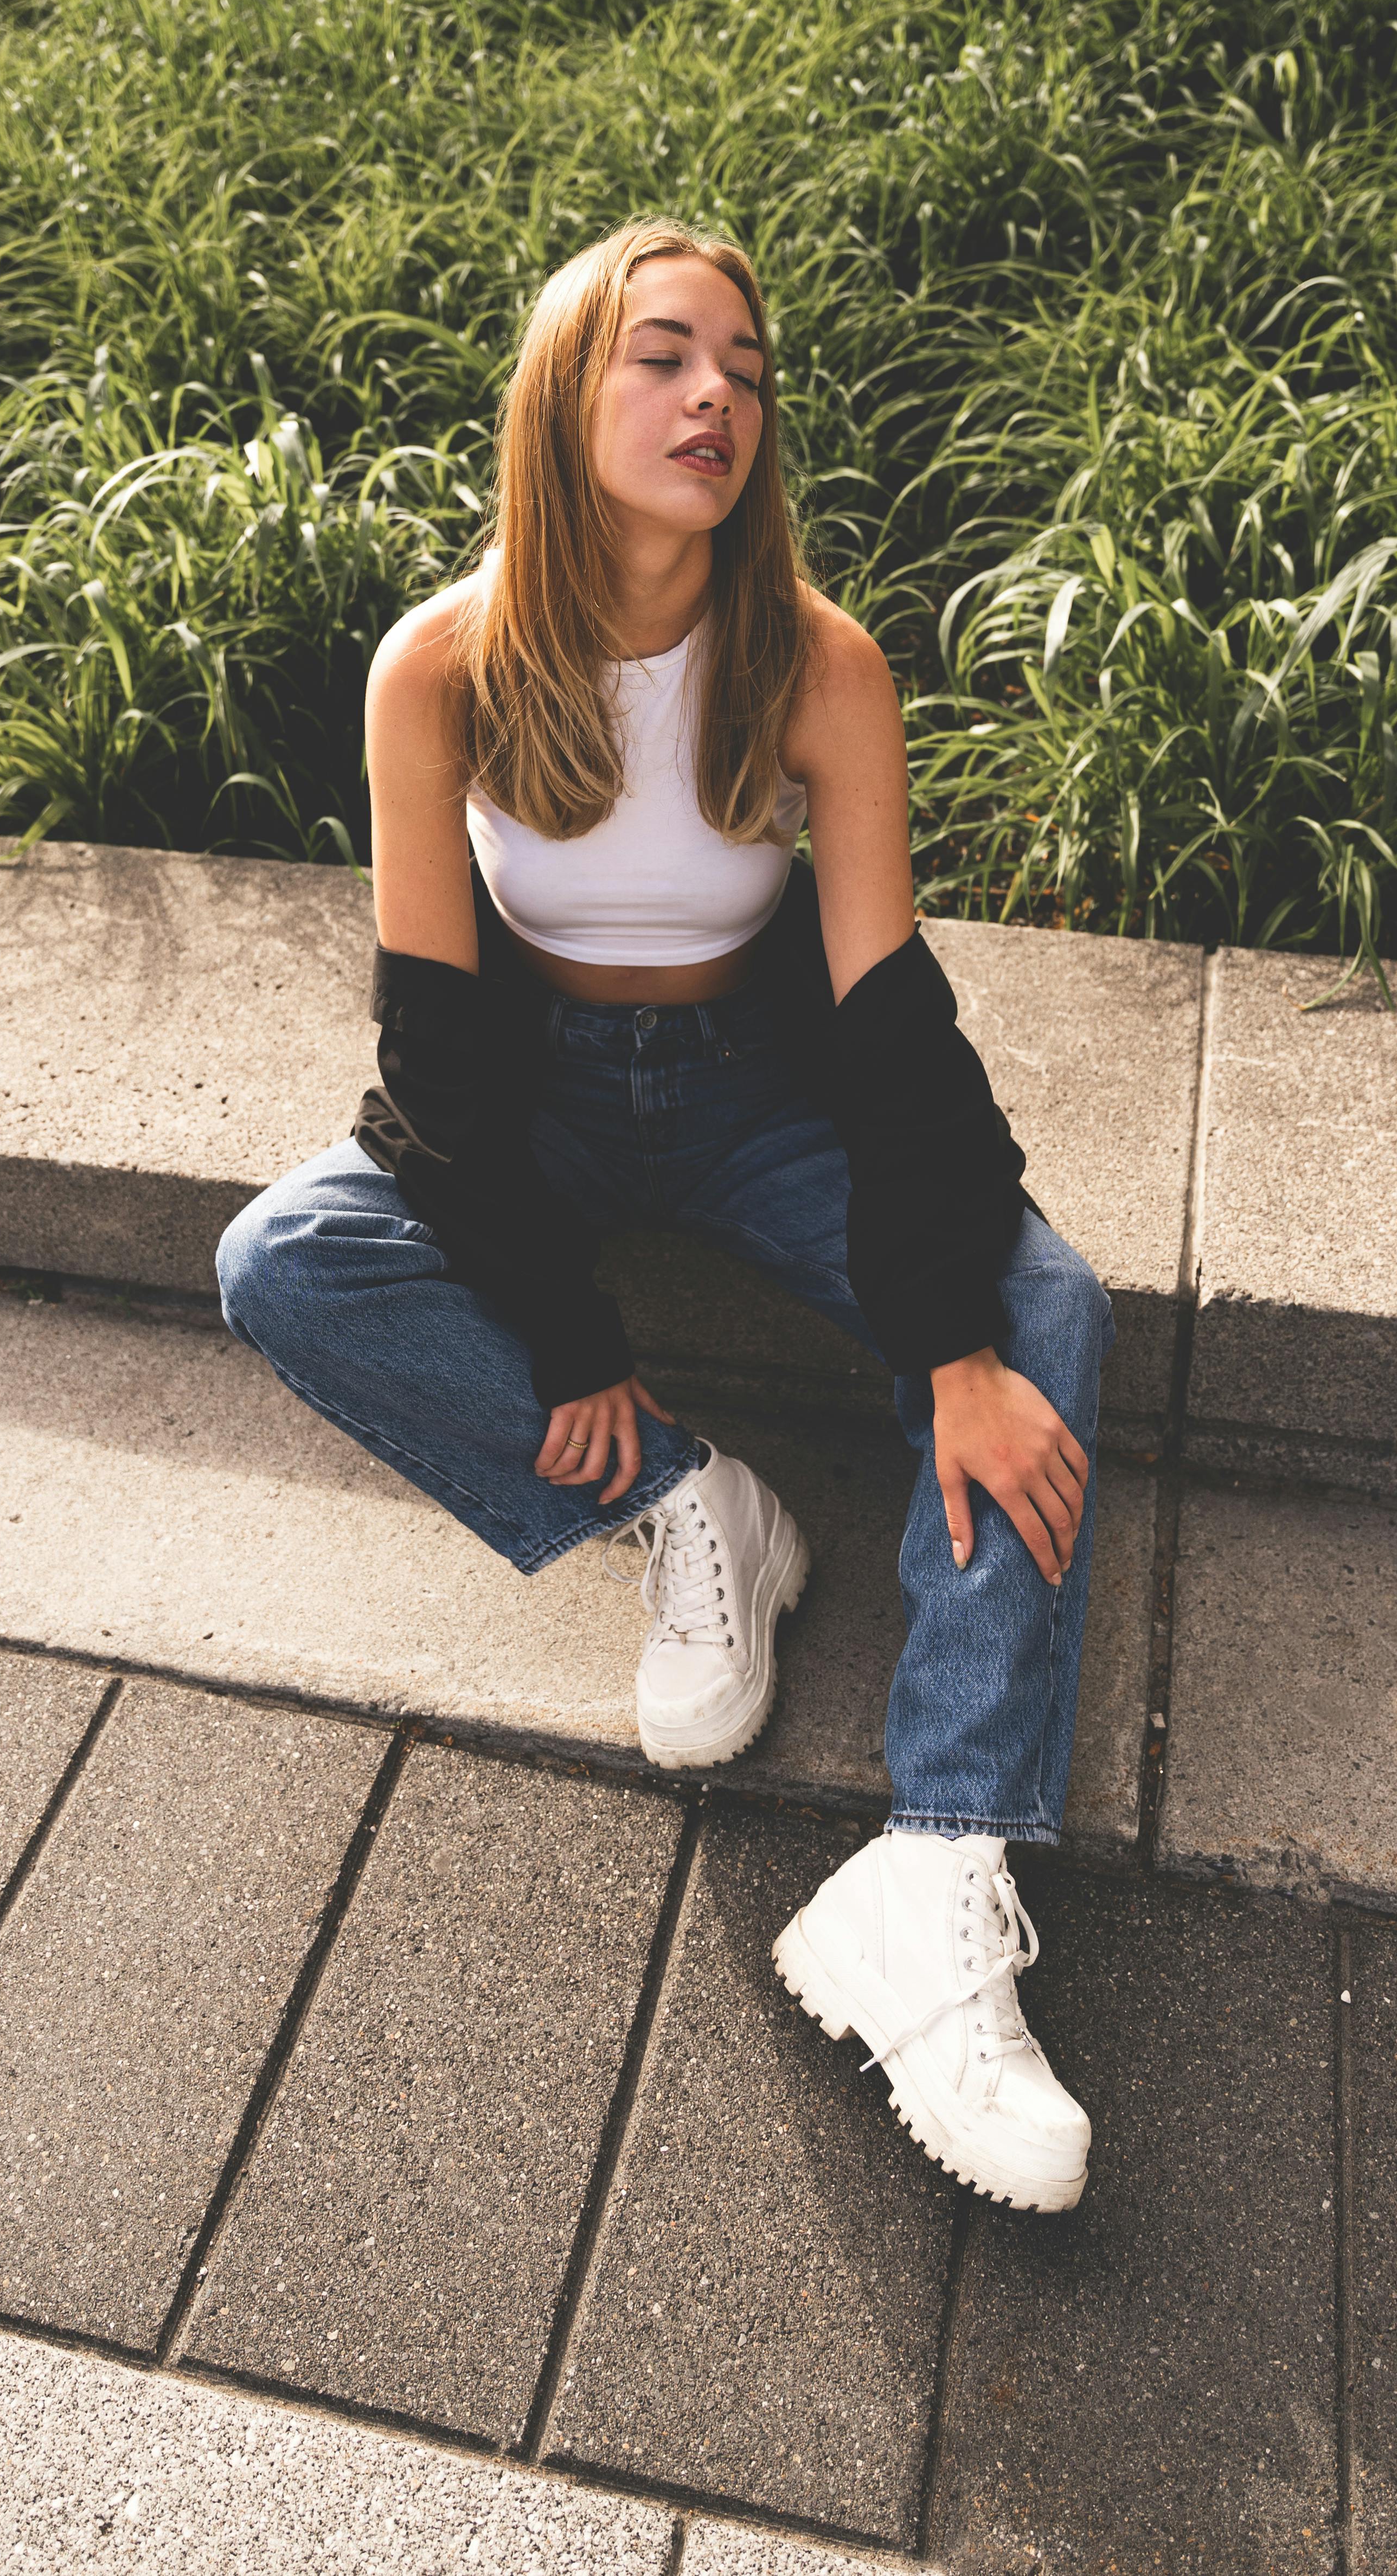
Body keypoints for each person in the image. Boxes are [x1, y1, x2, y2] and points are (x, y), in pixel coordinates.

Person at [216, 216, 1113, 2213]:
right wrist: (577, 1348)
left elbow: (892, 1036)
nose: (720, 395)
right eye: (665, 356)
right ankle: (691, 1505)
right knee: (279, 1260)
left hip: (757, 1102)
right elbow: (437, 1070)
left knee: (1050, 1317)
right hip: (530, 1112)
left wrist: (955, 1344)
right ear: (567, 396)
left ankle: (938, 1860)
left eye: (749, 371)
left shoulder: (814, 664)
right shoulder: (440, 666)